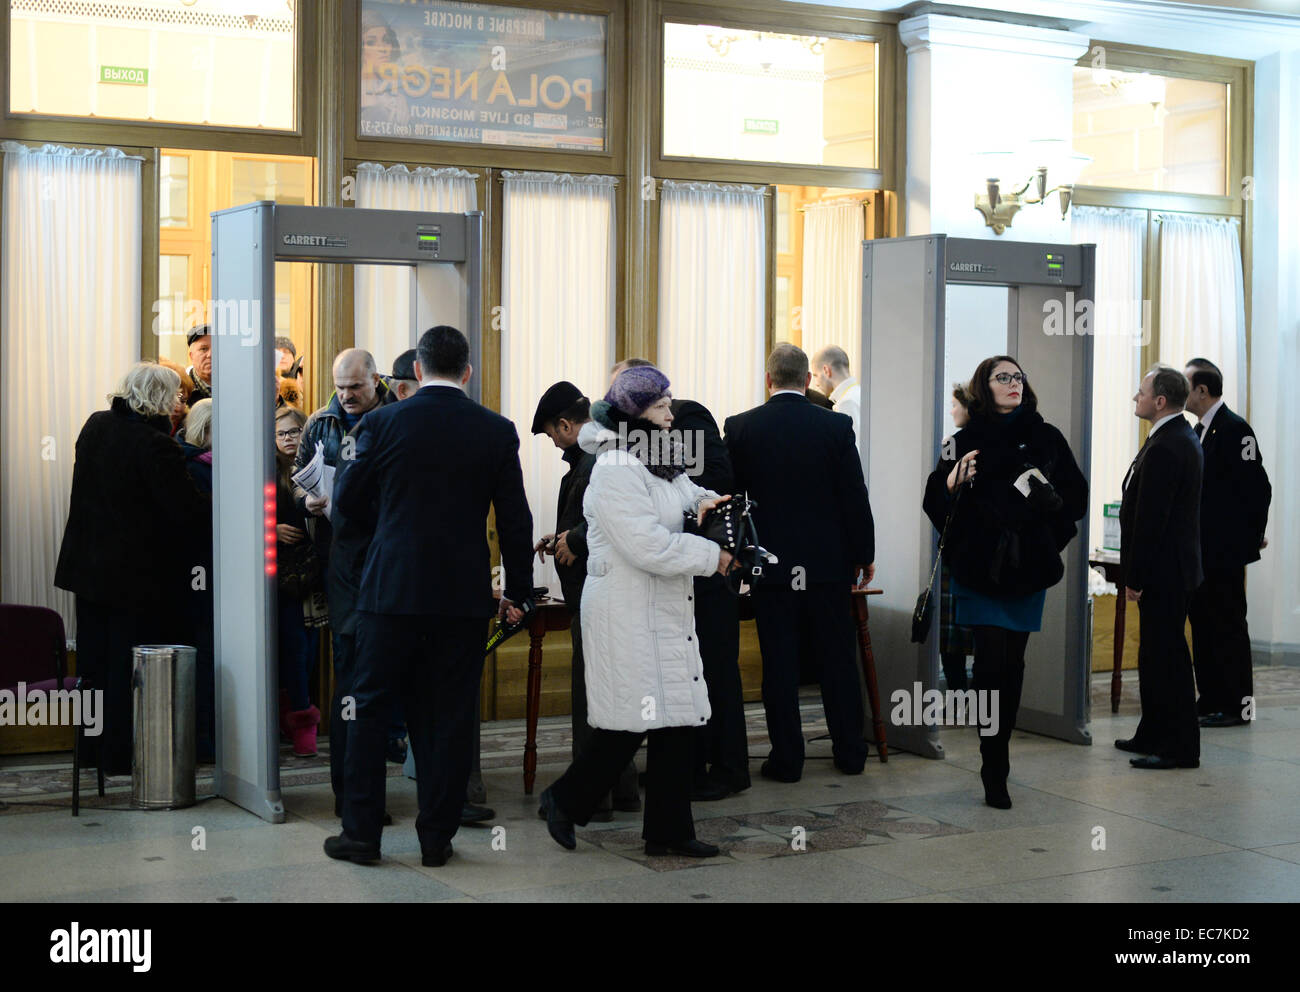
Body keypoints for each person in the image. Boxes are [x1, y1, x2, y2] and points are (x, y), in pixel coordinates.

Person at [325, 325, 534, 867]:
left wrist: (390, 524)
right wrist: (518, 592)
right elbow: (515, 520)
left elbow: (346, 500)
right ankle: (436, 839)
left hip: (389, 593)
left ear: (416, 370)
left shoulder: (382, 422)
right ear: (466, 371)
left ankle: (362, 836)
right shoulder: (495, 430)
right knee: (448, 717)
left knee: (367, 711)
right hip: (461, 598)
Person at [539, 365, 732, 858]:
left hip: (660, 606)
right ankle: (564, 800)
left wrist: (713, 502)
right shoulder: (614, 469)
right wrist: (714, 558)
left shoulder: (656, 458)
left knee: (675, 718)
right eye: (662, 407)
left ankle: (668, 832)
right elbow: (647, 545)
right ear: (636, 416)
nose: (672, 414)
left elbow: (688, 494)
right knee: (632, 720)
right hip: (625, 610)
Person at [923, 356, 1087, 807]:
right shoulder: (962, 441)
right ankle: (992, 762)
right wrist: (953, 482)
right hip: (979, 568)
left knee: (1011, 667)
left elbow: (1076, 498)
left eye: (1018, 377)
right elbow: (933, 500)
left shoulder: (1046, 437)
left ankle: (999, 752)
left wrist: (1049, 510)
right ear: (985, 386)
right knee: (990, 665)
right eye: (1003, 378)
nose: (1013, 383)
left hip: (1026, 568)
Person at [724, 344, 876, 782]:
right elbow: (854, 495)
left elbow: (731, 501)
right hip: (828, 565)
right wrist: (863, 554)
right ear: (807, 380)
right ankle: (850, 752)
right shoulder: (834, 425)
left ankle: (787, 759)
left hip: (770, 566)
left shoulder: (741, 428)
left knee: (780, 663)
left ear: (768, 379)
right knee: (837, 660)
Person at [54, 362, 209, 775]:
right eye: (175, 395)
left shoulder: (96, 425)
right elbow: (185, 511)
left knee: (93, 665)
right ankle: (119, 756)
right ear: (158, 398)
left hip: (87, 570)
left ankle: (90, 751)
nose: (179, 402)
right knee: (127, 667)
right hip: (134, 577)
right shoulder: (157, 445)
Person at [613, 357, 749, 800]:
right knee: (682, 677)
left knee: (716, 671)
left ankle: (728, 770)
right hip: (679, 574)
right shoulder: (629, 448)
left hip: (706, 573)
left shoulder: (688, 418)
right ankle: (684, 770)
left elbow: (716, 479)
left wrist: (687, 500)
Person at [532, 380, 641, 820]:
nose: (553, 442)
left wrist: (574, 539)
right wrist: (564, 537)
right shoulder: (599, 458)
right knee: (612, 696)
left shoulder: (595, 462)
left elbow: (611, 525)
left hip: (598, 599)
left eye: (551, 434)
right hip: (605, 597)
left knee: (591, 699)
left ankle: (592, 799)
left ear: (564, 424)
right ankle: (624, 788)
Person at [1115, 366, 1204, 770]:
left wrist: (1135, 577)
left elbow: (1153, 520)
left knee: (1167, 658)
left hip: (1165, 572)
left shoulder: (1170, 445)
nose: (1136, 398)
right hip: (1167, 569)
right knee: (1154, 655)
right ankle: (1151, 732)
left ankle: (1178, 747)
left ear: (1160, 401)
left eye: (1141, 393)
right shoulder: (1171, 437)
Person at [1183, 358, 1271, 728]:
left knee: (1228, 628)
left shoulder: (1235, 429)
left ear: (1202, 390)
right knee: (1204, 626)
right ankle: (1211, 698)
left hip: (1225, 552)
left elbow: (1257, 489)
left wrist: (1249, 539)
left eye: (1185, 385)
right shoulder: (1201, 429)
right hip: (1204, 551)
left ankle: (1237, 706)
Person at [275, 404, 323, 756]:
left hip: (316, 572)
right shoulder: (266, 472)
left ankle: (298, 718)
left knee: (309, 649)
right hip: (282, 576)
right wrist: (270, 530)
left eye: (295, 432)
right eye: (282, 433)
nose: (289, 439)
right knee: (292, 647)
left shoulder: (314, 466)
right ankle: (299, 721)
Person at [179, 399, 216, 763]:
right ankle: (205, 740)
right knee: (205, 657)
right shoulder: (197, 467)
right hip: (201, 576)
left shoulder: (190, 463)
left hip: (201, 576)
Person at [939, 384, 976, 690]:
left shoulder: (954, 443)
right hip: (975, 548)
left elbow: (939, 496)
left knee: (951, 634)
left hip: (957, 545)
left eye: (955, 405)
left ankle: (958, 692)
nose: (951, 410)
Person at [812, 345, 861, 441]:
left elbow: (855, 448)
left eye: (816, 375)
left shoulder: (846, 402)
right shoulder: (858, 392)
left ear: (826, 371)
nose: (816, 384)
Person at [186, 325, 212, 403]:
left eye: (217, 348)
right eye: (204, 349)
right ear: (191, 356)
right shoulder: (182, 392)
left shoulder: (238, 386)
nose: (210, 355)